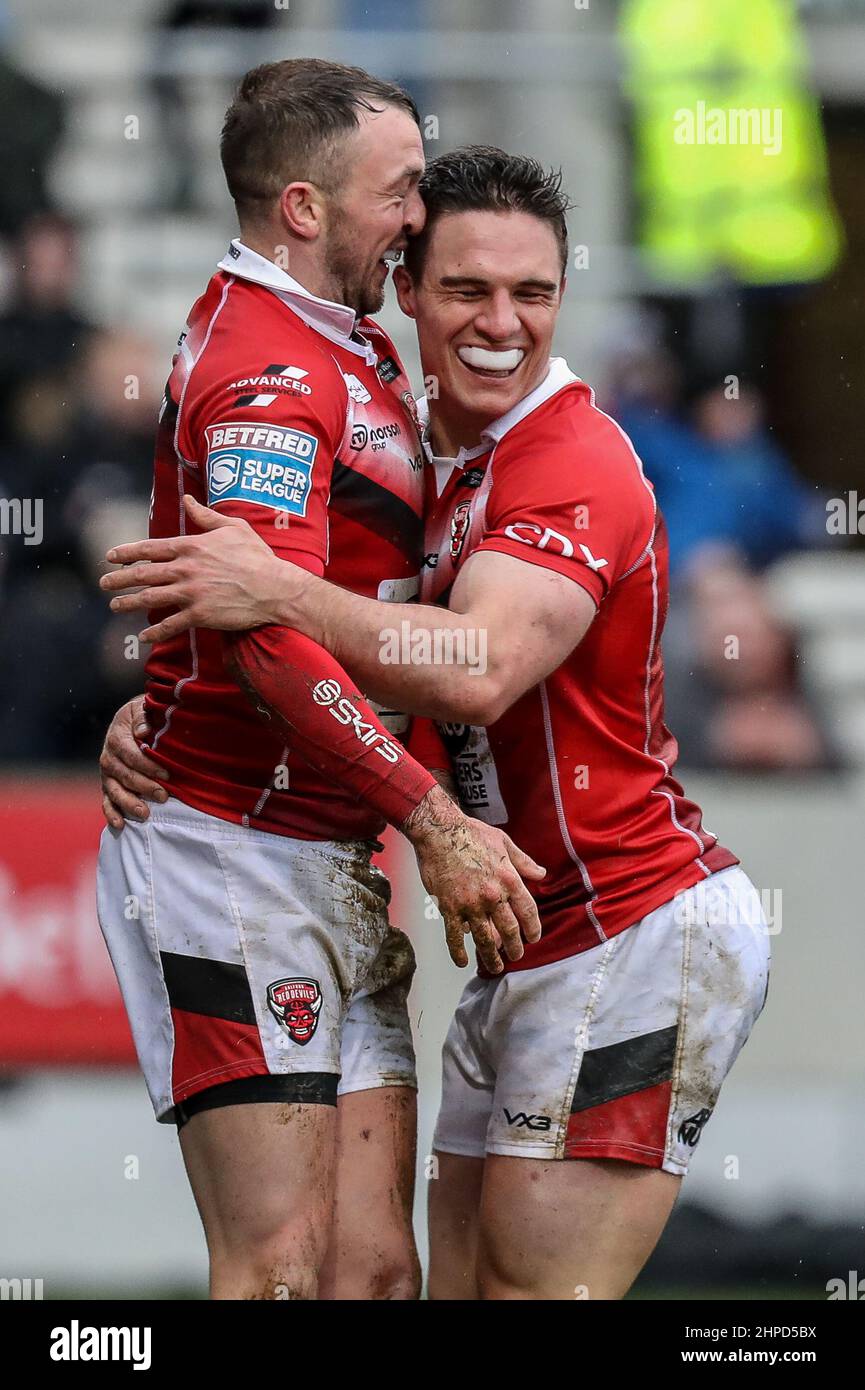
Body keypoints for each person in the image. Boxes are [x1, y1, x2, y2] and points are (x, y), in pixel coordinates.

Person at [102, 146, 771, 1300]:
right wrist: (164, 700)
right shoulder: (429, 453)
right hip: (521, 940)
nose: (501, 323)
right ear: (406, 287)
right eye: (467, 289)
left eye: (534, 294)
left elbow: (470, 670)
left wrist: (276, 592)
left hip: (632, 923)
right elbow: (349, 655)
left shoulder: (572, 460)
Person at [95, 66, 545, 1303]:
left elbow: (239, 603)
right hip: (234, 853)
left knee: (373, 1272)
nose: (417, 213)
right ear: (302, 206)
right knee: (278, 1269)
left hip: (327, 856)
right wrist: (433, 815)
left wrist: (159, 691)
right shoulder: (272, 375)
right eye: (398, 189)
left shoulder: (333, 344)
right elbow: (261, 632)